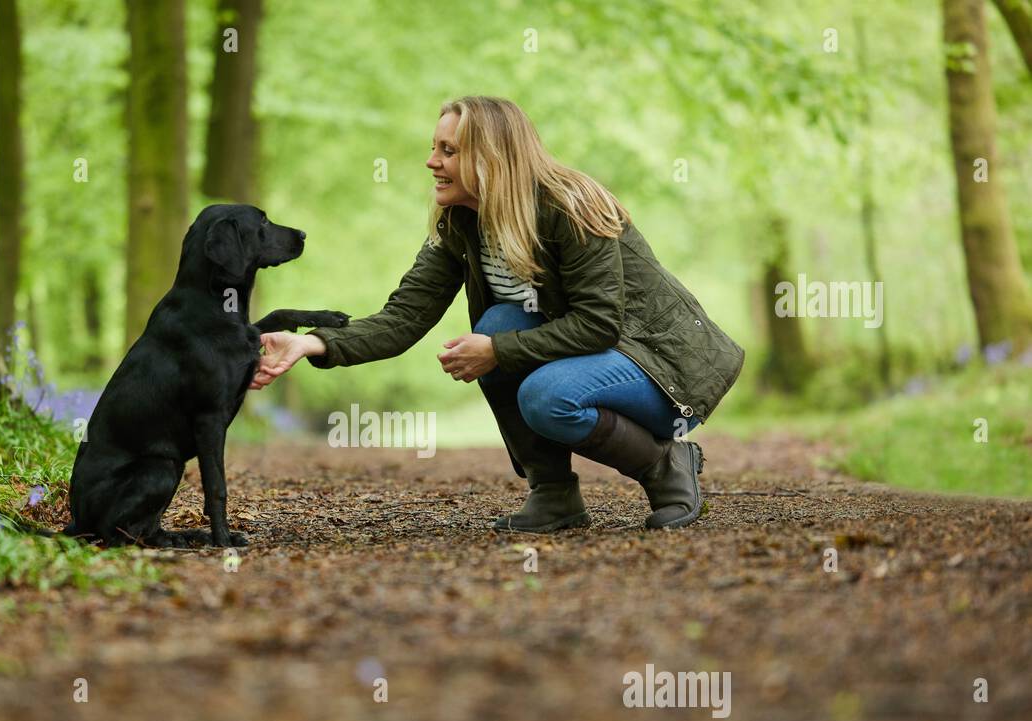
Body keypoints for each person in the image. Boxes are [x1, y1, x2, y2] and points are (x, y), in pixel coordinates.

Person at [250, 95, 745, 531]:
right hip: (596, 357)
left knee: (541, 392)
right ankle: (554, 495)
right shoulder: (460, 223)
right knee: (499, 324)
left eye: (448, 151)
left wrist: (498, 352)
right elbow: (402, 320)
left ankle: (667, 463)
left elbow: (599, 323)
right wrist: (309, 342)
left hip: (658, 368)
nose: (431, 162)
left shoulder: (569, 206)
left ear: (490, 158)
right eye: (434, 148)